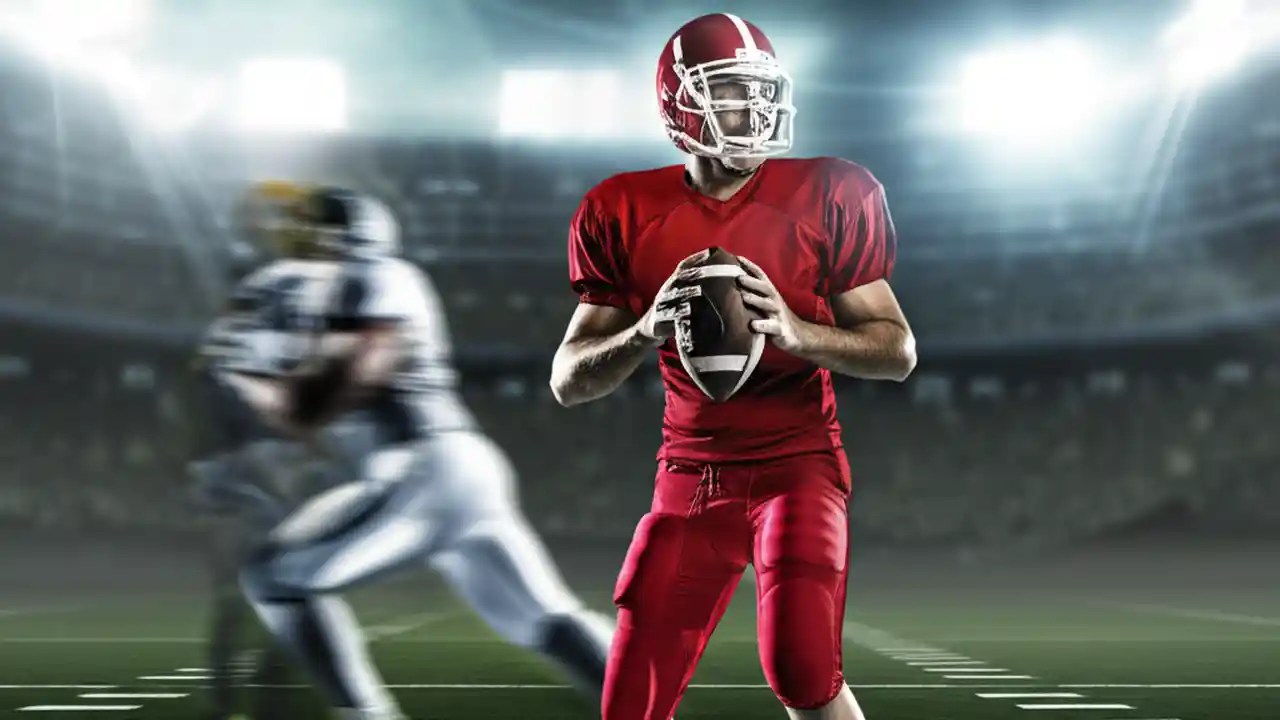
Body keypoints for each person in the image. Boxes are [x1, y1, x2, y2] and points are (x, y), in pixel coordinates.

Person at [549, 13, 916, 720]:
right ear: (680, 103)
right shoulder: (621, 209)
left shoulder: (830, 192)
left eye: (763, 91)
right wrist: (643, 330)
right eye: (733, 93)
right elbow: (568, 379)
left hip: (798, 466)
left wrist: (799, 331)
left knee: (803, 670)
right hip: (688, 478)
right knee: (629, 700)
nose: (758, 111)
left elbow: (897, 351)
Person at [216, 188, 612, 720]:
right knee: (542, 617)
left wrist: (248, 378)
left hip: (422, 469)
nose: (297, 243)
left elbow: (319, 398)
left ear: (342, 235)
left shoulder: (370, 277)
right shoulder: (361, 283)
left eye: (311, 230)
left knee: (272, 578)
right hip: (455, 467)